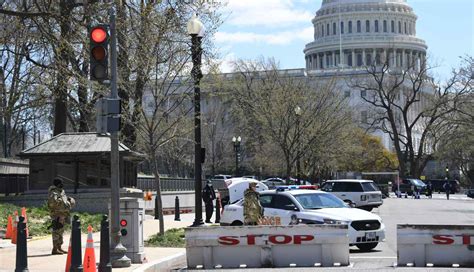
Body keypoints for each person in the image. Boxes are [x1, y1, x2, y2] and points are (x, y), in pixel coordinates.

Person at [47, 177, 75, 255]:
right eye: (61, 183)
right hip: (57, 215)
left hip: (63, 214)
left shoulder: (61, 192)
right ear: (58, 184)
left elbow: (64, 201)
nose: (62, 185)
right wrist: (59, 201)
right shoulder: (54, 193)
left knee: (61, 231)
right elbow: (52, 204)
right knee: (56, 231)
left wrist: (69, 201)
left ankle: (59, 247)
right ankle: (55, 249)